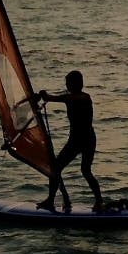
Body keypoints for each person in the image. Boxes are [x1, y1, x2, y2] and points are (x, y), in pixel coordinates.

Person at [35, 70, 104, 212]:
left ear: (76, 84)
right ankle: (57, 200)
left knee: (83, 170)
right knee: (58, 169)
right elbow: (62, 98)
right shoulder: (72, 98)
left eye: (68, 83)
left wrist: (48, 96)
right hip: (82, 139)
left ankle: (99, 201)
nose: (67, 86)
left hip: (83, 141)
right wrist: (44, 97)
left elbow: (66, 98)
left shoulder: (83, 98)